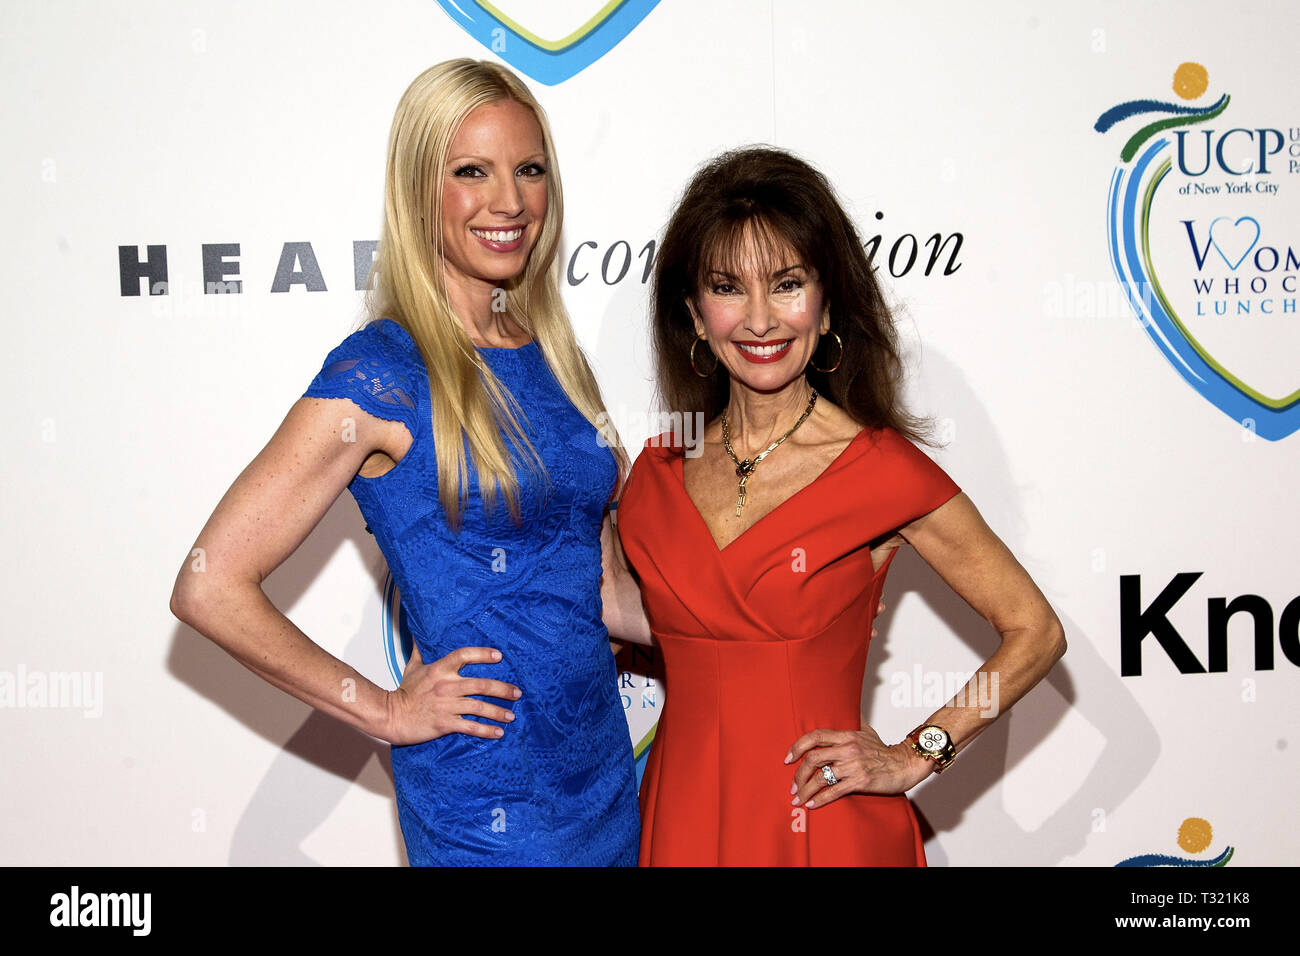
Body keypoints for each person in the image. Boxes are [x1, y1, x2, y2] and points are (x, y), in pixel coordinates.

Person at [169, 59, 640, 866]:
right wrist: (385, 712)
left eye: (529, 170)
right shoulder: (383, 373)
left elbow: (603, 593)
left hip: (603, 783)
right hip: (481, 803)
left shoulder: (559, 361)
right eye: (471, 172)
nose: (510, 201)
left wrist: (760, 620)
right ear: (421, 190)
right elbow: (210, 584)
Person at [607, 147, 1067, 865]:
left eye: (787, 284)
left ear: (826, 306)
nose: (760, 320)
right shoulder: (659, 471)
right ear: (694, 314)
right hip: (683, 816)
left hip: (820, 827)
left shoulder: (879, 471)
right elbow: (647, 615)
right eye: (728, 288)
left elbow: (1034, 630)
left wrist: (920, 754)